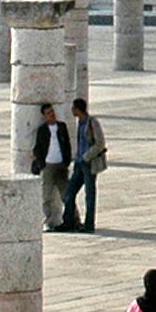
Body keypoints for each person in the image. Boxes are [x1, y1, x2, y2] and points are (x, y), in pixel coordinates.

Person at [28, 103, 76, 230]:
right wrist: (41, 164)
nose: (52, 114)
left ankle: (74, 220)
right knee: (46, 195)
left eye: (52, 112)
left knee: (67, 194)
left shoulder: (61, 127)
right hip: (48, 166)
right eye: (49, 113)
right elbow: (37, 148)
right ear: (44, 116)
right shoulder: (42, 130)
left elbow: (67, 145)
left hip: (61, 165)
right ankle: (47, 222)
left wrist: (66, 161)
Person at [66, 98, 108, 232]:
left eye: (73, 108)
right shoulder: (80, 123)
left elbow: (100, 143)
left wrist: (86, 157)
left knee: (90, 195)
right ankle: (68, 222)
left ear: (78, 109)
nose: (72, 110)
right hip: (79, 163)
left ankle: (89, 224)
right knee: (70, 192)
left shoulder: (92, 123)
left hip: (89, 163)